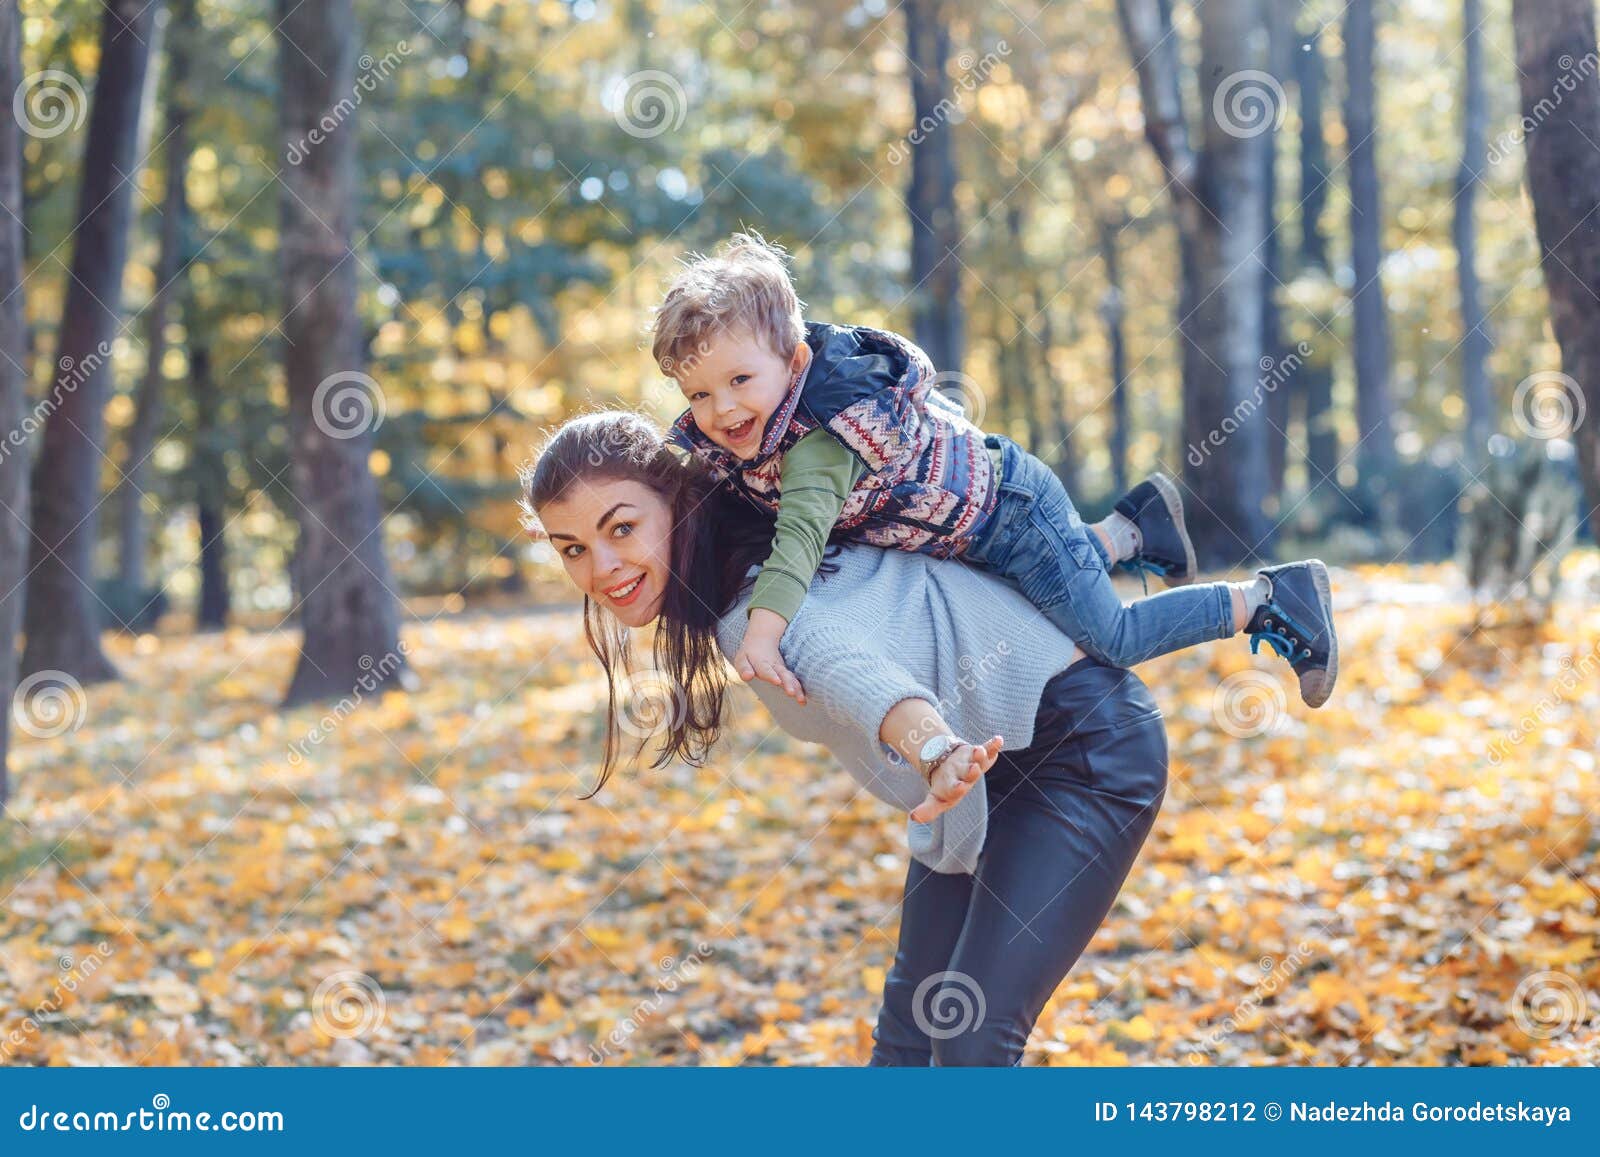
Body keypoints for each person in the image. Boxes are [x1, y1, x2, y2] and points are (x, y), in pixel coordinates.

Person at [523, 410, 1173, 1065]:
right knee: (908, 1045)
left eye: (622, 528)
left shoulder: (755, 605)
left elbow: (847, 665)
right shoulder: (767, 545)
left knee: (970, 1043)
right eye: (572, 548)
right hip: (975, 780)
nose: (601, 567)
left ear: (678, 499)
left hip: (1077, 751)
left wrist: (931, 748)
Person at [652, 232, 1338, 712]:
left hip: (1011, 511)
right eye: (700, 394)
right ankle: (1132, 529)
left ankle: (1271, 597)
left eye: (740, 378)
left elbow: (799, 536)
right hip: (978, 522)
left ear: (795, 365)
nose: (723, 408)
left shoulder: (823, 439)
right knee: (1037, 588)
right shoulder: (760, 430)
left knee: (1108, 637)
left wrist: (764, 633)